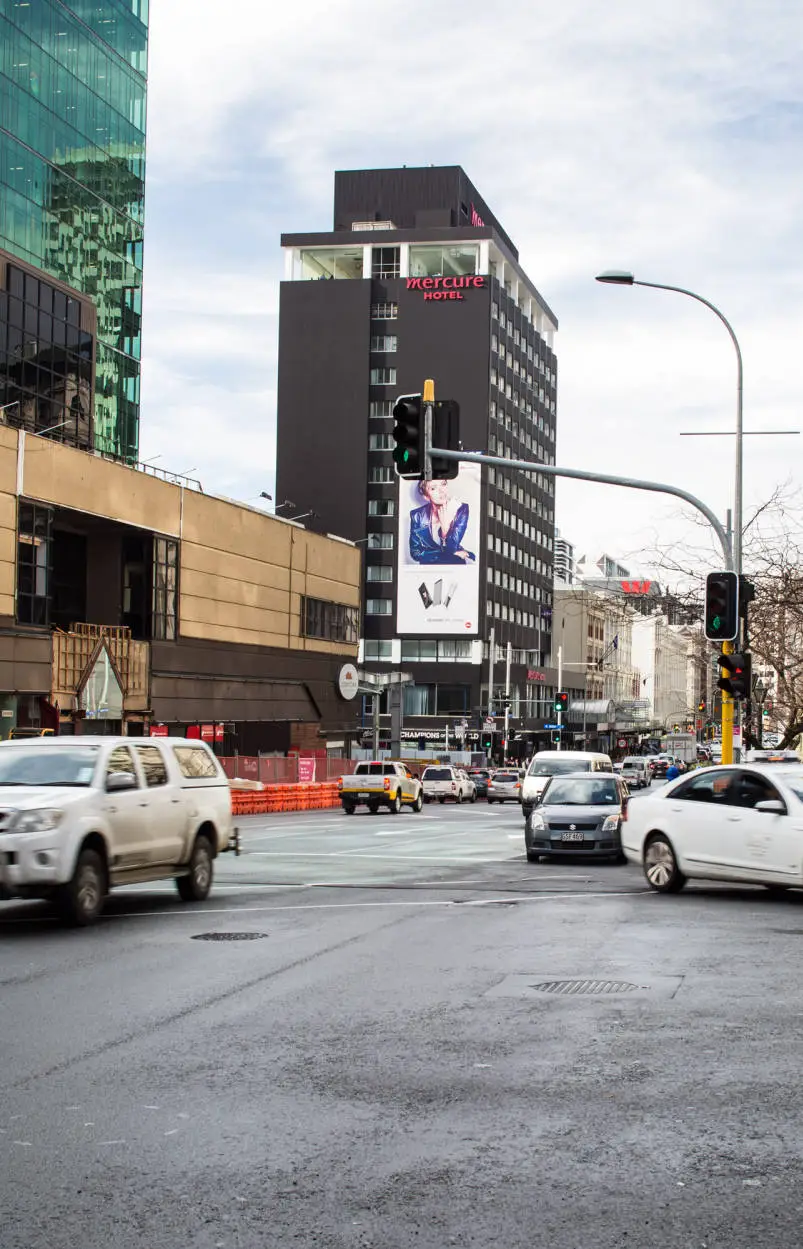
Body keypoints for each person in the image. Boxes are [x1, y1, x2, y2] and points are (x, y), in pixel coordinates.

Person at [409, 479, 476, 565]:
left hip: (454, 564)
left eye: (443, 484)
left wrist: (445, 526)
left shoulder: (460, 509)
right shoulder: (417, 515)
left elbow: (451, 548)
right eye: (433, 488)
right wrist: (449, 553)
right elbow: (415, 553)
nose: (441, 491)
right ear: (426, 496)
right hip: (428, 567)